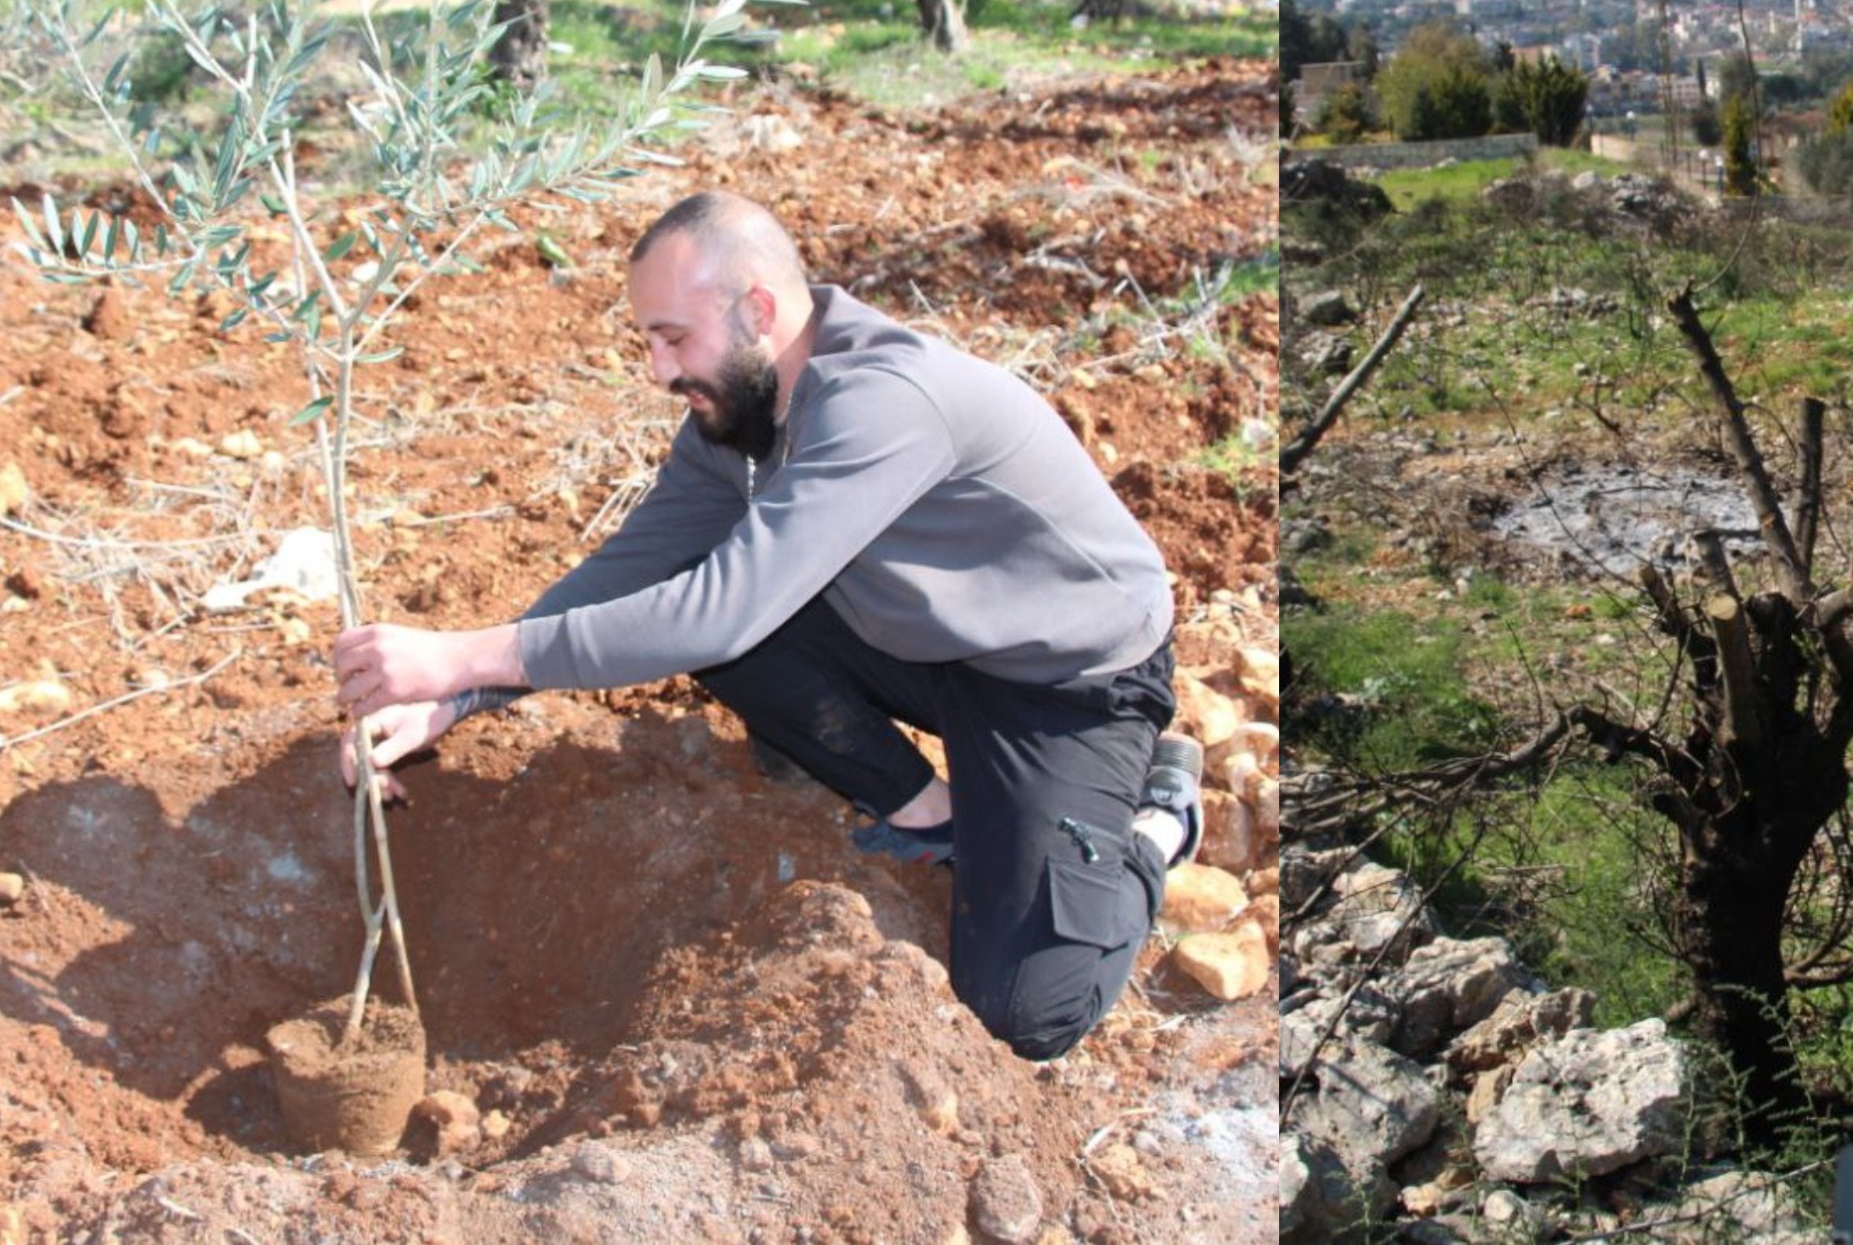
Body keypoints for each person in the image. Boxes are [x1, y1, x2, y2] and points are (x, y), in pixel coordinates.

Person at [330, 191, 1204, 1062]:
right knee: (692, 600)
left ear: (757, 310)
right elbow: (632, 570)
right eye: (649, 341)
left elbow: (723, 612)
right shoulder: (739, 413)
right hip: (924, 638)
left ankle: (1156, 819)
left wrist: (456, 656)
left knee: (1028, 1009)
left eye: (673, 338)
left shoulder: (886, 402)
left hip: (1063, 684)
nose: (658, 371)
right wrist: (459, 692)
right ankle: (930, 815)